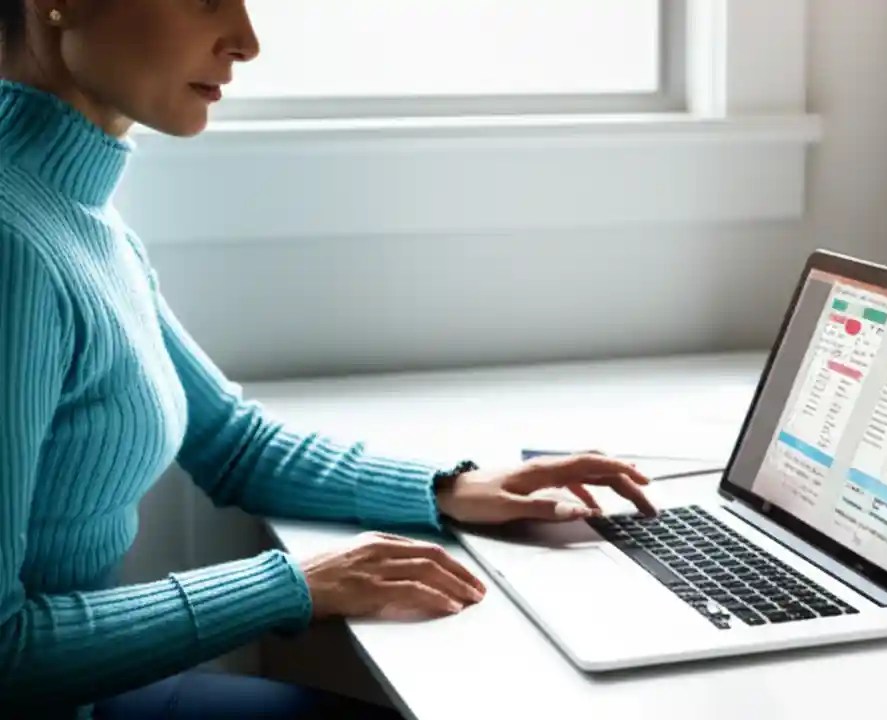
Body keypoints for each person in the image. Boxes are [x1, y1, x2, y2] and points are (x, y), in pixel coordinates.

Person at [0, 1, 658, 717]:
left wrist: (450, 489)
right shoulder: (14, 246)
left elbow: (232, 444)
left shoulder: (74, 212)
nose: (246, 42)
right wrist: (293, 585)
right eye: (206, 0)